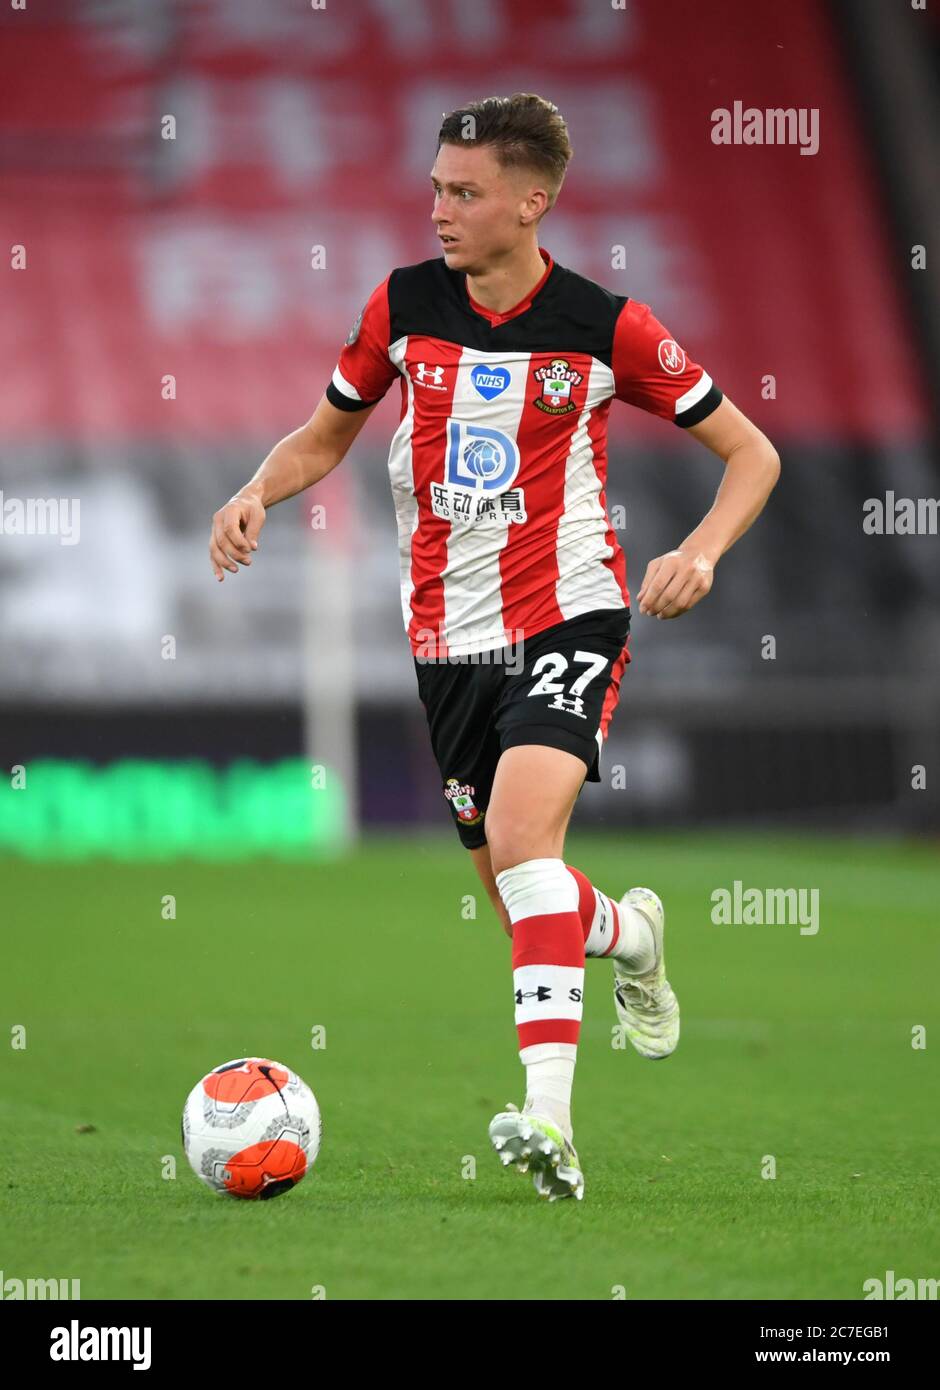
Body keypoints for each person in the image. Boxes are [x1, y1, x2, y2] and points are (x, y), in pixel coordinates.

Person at [209, 93, 780, 1202]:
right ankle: (632, 934)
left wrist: (701, 554)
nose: (440, 210)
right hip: (446, 645)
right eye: (434, 187)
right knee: (522, 890)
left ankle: (549, 1123)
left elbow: (748, 451)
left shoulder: (609, 326)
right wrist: (255, 491)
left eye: (464, 192)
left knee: (524, 841)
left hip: (570, 614)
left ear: (533, 202)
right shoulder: (401, 306)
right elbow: (325, 435)